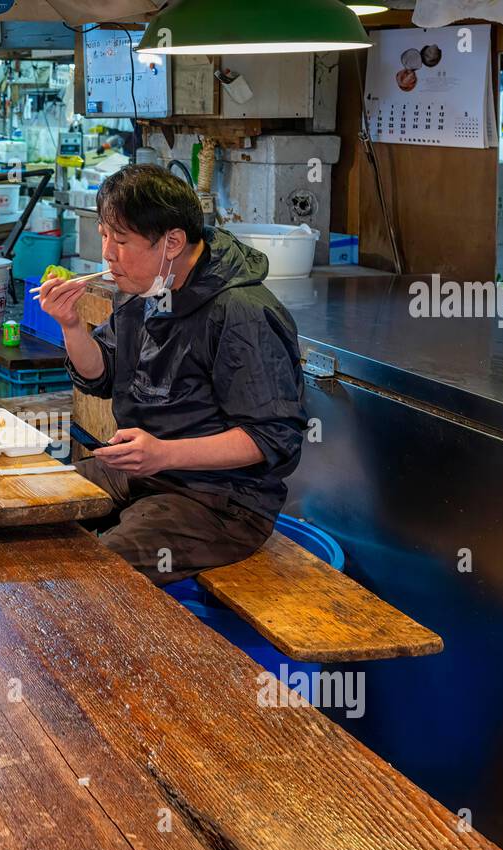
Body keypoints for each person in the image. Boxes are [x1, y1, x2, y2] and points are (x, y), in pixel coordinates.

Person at [38, 165, 307, 586]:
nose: (107, 252)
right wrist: (70, 324)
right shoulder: (145, 287)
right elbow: (101, 375)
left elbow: (272, 437)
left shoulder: (241, 311)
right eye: (104, 234)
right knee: (31, 511)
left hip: (221, 502)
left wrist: (164, 454)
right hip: (147, 472)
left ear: (173, 242)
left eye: (121, 240)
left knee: (90, 578)